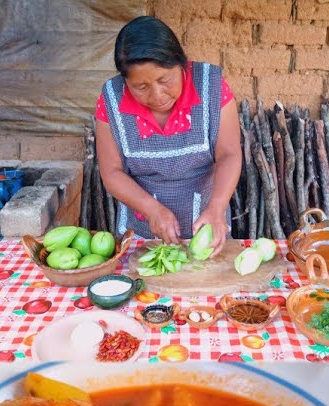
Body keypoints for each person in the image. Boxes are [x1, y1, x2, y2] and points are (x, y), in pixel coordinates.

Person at [94, 16, 242, 256]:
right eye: (141, 87)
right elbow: (111, 172)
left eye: (165, 80)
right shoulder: (112, 98)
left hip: (207, 235)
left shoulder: (211, 86)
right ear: (125, 80)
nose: (157, 95)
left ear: (181, 64)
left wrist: (216, 208)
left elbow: (229, 154)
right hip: (141, 238)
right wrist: (151, 209)